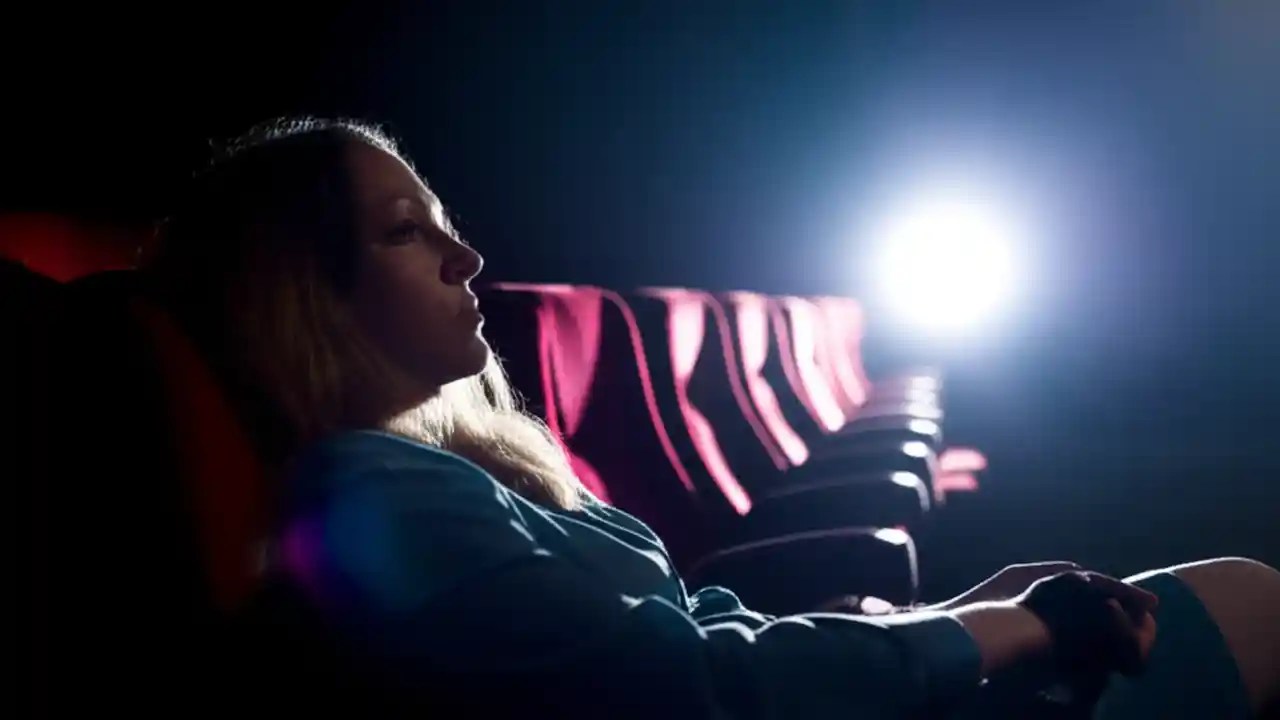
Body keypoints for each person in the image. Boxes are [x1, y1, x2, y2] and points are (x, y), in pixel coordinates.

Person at [143, 117, 1280, 719]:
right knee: (1247, 596)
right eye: (405, 233)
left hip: (825, 684)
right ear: (302, 290)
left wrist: (941, 611)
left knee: (1237, 593)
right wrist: (1024, 624)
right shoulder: (367, 494)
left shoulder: (441, 472)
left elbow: (684, 628)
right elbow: (698, 692)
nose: (466, 258)